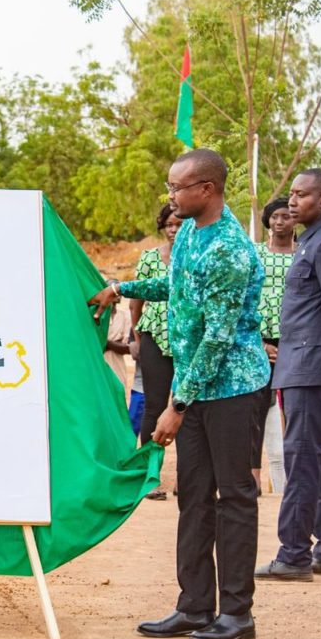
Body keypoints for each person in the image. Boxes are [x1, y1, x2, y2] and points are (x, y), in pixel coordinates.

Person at [90, 149, 268, 639]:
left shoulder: (231, 249)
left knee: (234, 497)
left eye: (178, 187)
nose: (171, 196)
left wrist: (175, 405)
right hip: (195, 386)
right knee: (193, 496)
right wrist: (120, 287)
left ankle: (237, 614)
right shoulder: (190, 232)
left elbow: (217, 336)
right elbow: (175, 284)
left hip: (231, 388)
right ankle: (193, 606)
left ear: (206, 189)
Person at [255, 169, 321, 582]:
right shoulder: (310, 241)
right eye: (291, 195)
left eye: (302, 195)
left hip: (313, 370)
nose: (292, 202)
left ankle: (294, 553)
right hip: (308, 368)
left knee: (301, 461)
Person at [130, 203, 182, 500]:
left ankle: (186, 479)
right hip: (153, 337)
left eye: (179, 224)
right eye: (169, 225)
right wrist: (136, 336)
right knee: (154, 405)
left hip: (187, 340)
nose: (174, 229)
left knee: (186, 407)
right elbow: (136, 299)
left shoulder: (194, 256)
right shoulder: (150, 257)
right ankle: (149, 477)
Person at [252, 198, 296, 494]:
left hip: (294, 339)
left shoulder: (303, 253)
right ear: (267, 222)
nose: (279, 222)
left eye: (285, 216)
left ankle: (286, 483)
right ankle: (253, 479)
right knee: (256, 407)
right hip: (258, 339)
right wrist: (259, 342)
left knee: (291, 410)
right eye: (274, 217)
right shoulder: (256, 254)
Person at [103, 281, 132, 392]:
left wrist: (104, 341)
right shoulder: (96, 315)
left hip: (118, 366)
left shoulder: (125, 316)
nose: (117, 293)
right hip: (99, 365)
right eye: (112, 289)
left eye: (118, 290)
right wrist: (115, 342)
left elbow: (126, 348)